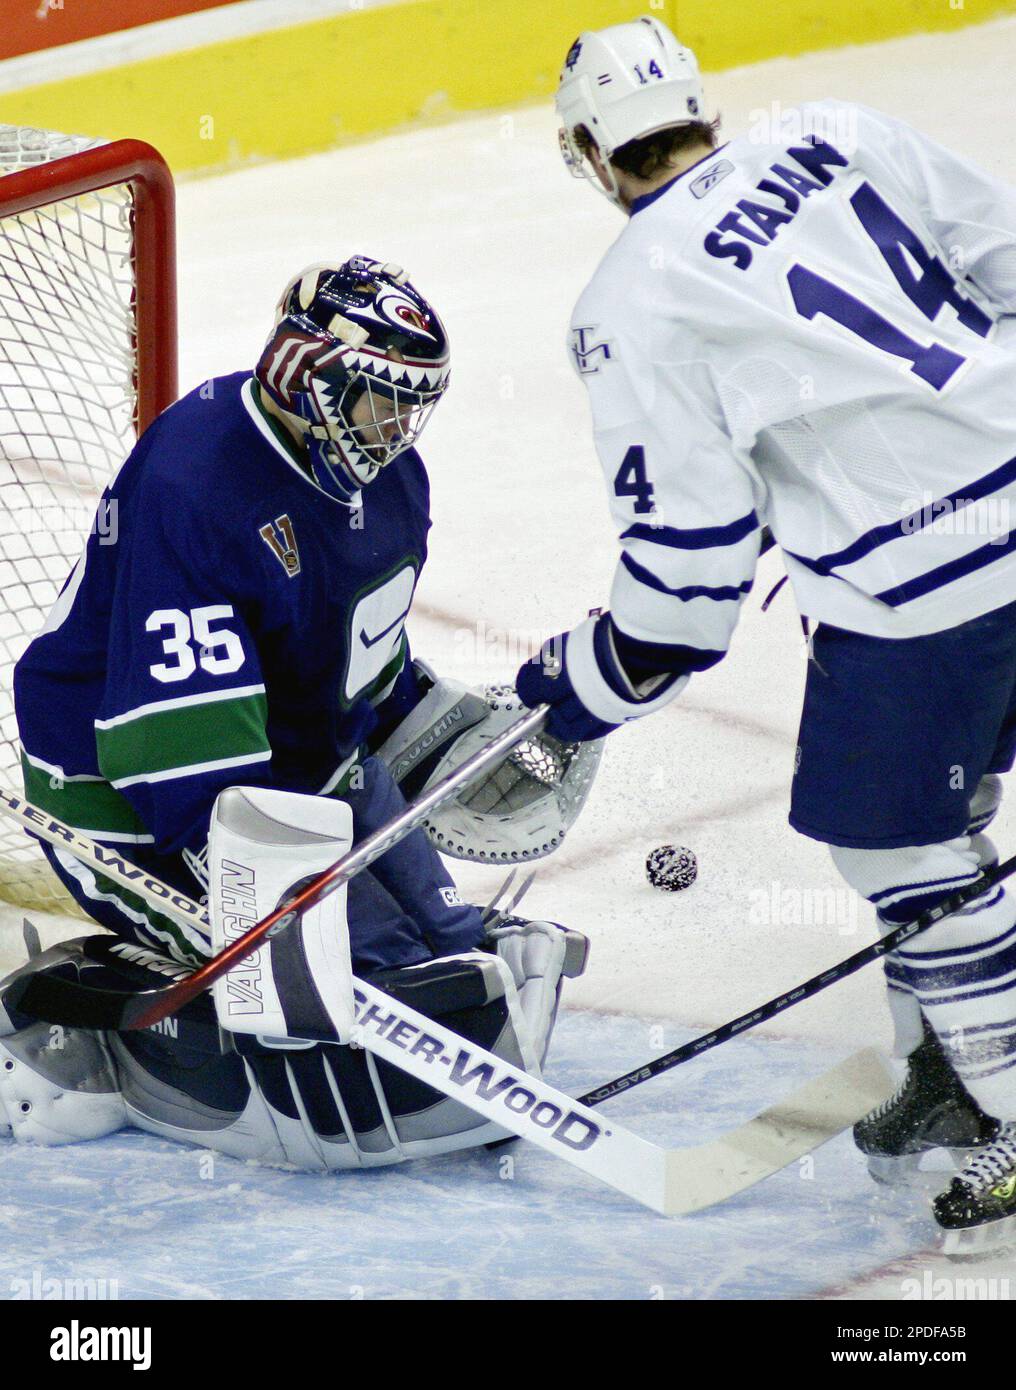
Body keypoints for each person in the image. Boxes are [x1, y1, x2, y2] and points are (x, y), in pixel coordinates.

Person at [514, 15, 1016, 1251]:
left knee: (897, 855)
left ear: (588, 152)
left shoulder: (626, 303)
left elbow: (687, 578)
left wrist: (580, 687)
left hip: (921, 601)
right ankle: (949, 1068)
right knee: (949, 822)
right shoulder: (833, 132)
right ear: (703, 106)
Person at [1, 257, 589, 1171]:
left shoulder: (396, 485)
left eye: (412, 405)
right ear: (306, 371)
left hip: (299, 771)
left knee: (455, 948)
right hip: (127, 803)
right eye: (377, 399)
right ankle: (85, 1037)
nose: (395, 428)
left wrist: (438, 731)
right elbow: (174, 746)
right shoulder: (198, 479)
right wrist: (259, 902)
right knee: (371, 978)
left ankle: (393, 1026)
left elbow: (361, 665)